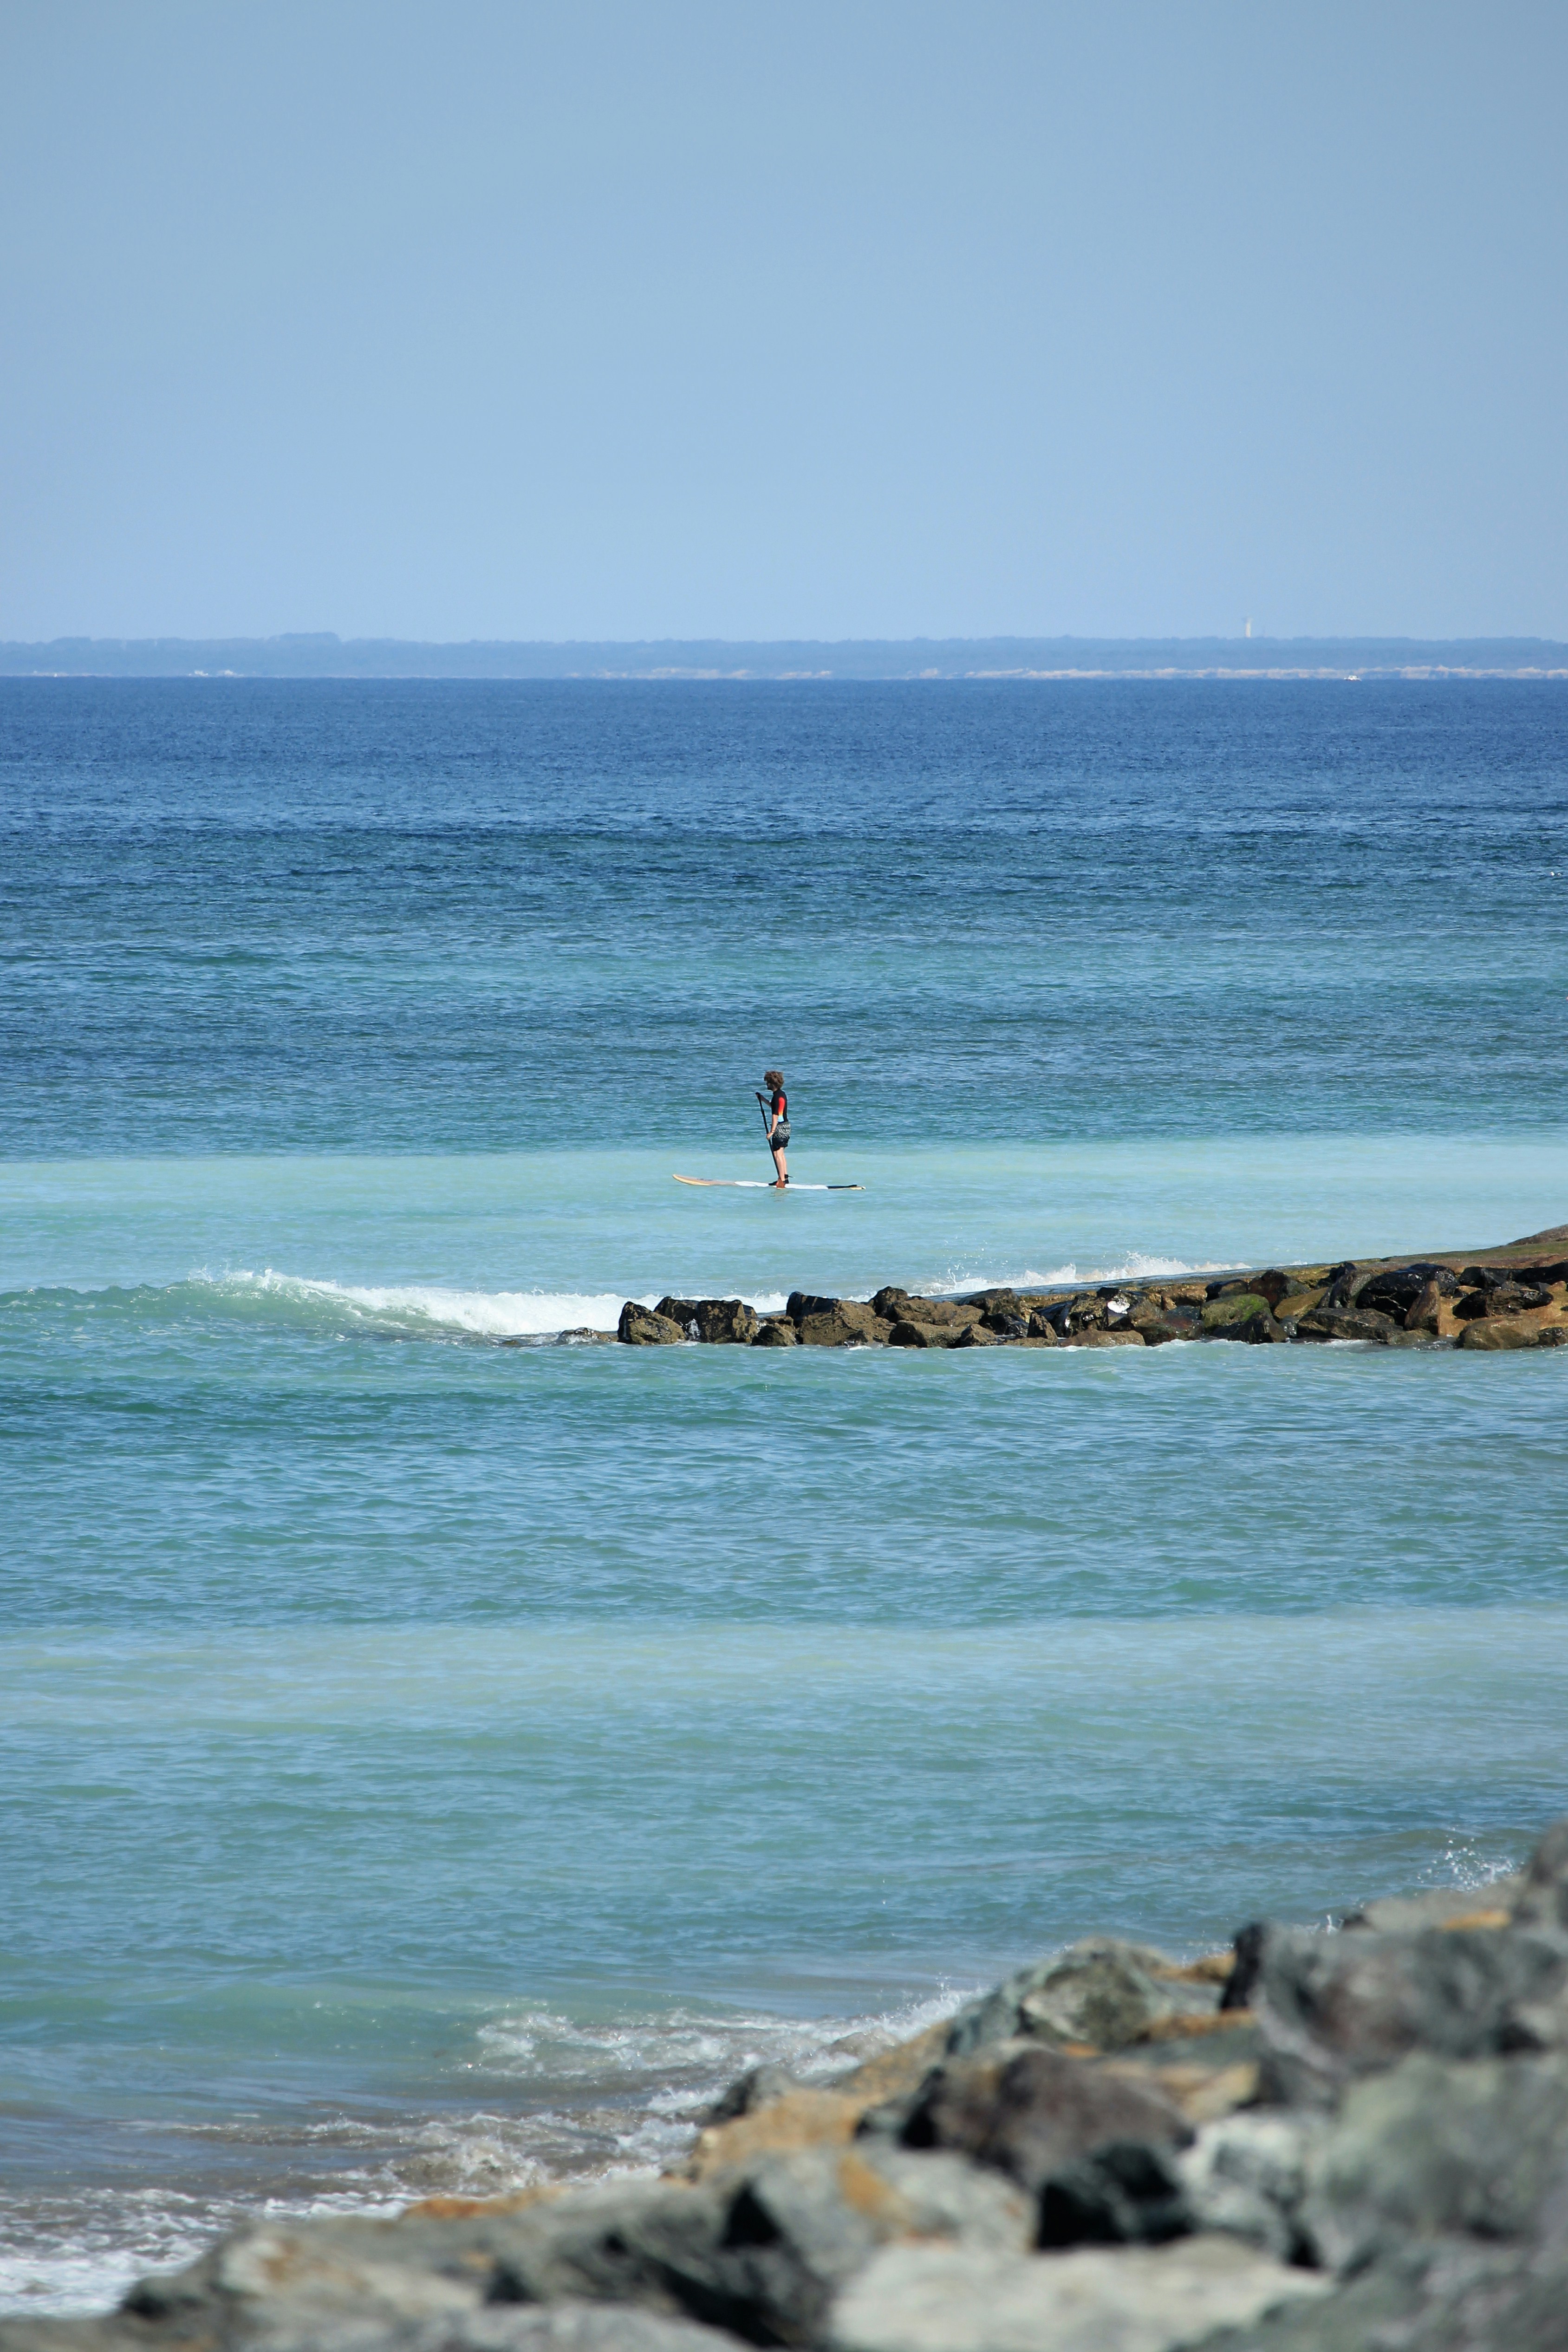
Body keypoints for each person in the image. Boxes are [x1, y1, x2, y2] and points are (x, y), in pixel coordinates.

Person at [761, 1068, 790, 1187]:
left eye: (767, 1083)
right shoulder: (780, 1095)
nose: (766, 1085)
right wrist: (763, 1100)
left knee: (777, 1154)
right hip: (787, 1127)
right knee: (781, 1153)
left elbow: (776, 1115)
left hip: (779, 1128)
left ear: (772, 1084)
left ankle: (781, 1180)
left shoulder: (777, 1096)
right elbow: (774, 1107)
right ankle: (785, 1177)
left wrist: (772, 1132)